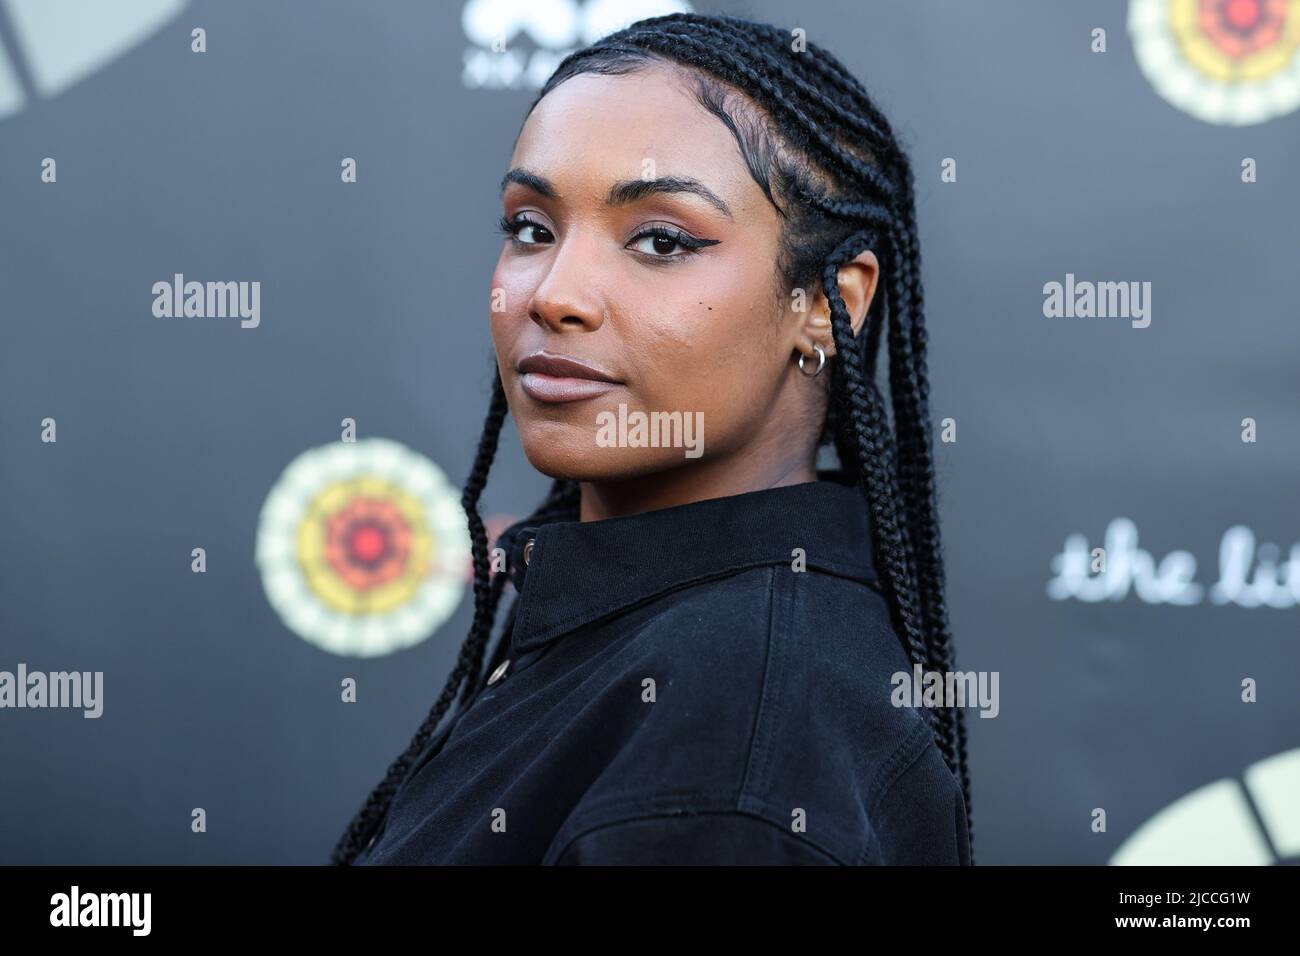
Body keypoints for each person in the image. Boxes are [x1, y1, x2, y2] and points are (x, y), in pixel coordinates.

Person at [332, 11, 973, 866]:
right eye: (532, 228)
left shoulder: (733, 756)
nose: (555, 294)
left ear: (827, 305)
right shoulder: (647, 622)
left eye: (662, 241)